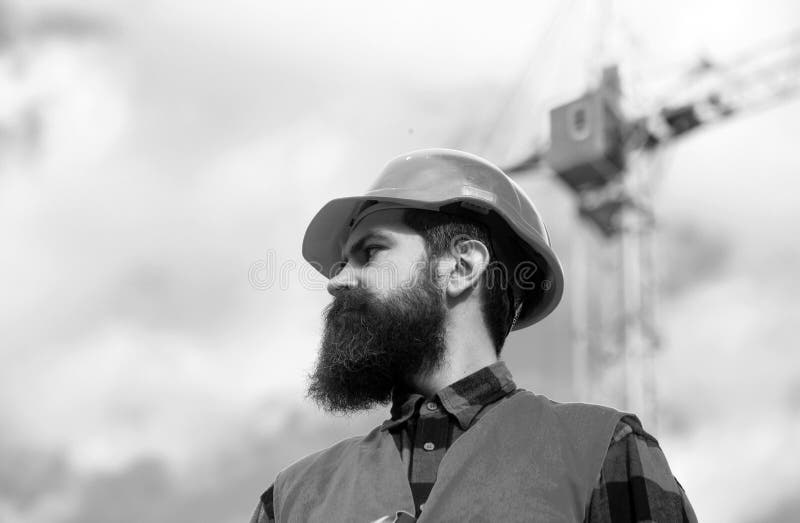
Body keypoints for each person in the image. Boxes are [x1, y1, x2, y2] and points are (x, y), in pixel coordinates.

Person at [249, 149, 697, 522]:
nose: (338, 280)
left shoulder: (604, 450)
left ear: (461, 267)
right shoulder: (291, 500)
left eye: (371, 252)